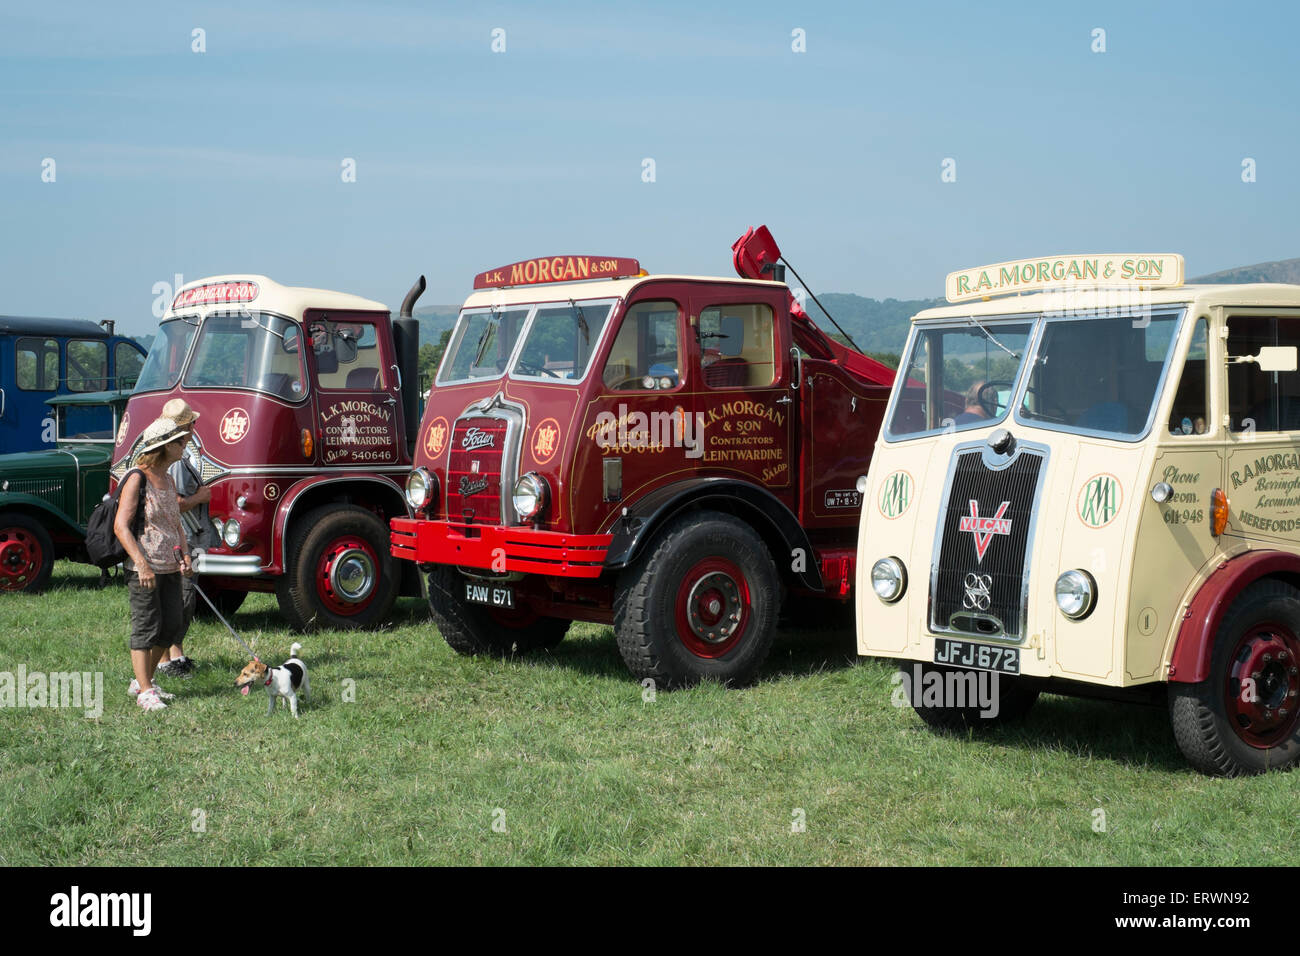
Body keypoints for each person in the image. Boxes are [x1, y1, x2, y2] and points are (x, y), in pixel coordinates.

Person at [115, 417, 194, 712]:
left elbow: (175, 524)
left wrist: (185, 555)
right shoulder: (138, 477)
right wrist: (141, 564)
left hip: (171, 565)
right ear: (164, 446)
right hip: (143, 568)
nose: (185, 444)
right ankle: (145, 691)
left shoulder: (169, 478)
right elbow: (121, 526)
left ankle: (142, 680)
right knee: (145, 627)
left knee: (172, 624)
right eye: (181, 441)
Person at [156, 399, 212, 677]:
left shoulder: (180, 453)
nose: (194, 427)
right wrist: (200, 497)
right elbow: (174, 502)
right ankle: (171, 658)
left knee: (181, 597)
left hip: (186, 537)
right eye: (192, 423)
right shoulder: (177, 460)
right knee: (182, 597)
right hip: (184, 537)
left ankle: (172, 654)